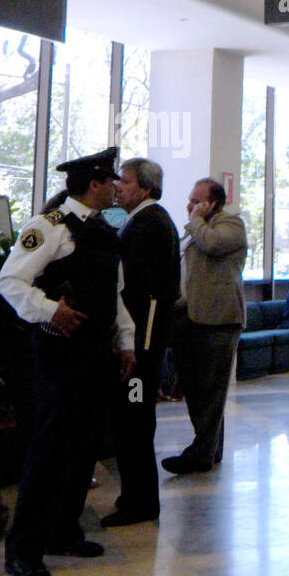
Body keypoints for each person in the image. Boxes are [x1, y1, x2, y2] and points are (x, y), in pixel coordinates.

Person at [0, 146, 136, 576]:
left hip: (97, 354)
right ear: (94, 185)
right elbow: (10, 280)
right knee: (50, 449)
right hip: (59, 355)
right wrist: (49, 308)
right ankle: (23, 549)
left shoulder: (105, 232)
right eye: (111, 181)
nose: (116, 187)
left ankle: (63, 531)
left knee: (84, 445)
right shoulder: (49, 227)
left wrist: (126, 340)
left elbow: (115, 295)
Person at [102, 157, 180, 528]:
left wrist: (130, 344)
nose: (119, 187)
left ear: (146, 188)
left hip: (142, 347)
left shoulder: (147, 224)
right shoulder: (151, 220)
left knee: (133, 422)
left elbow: (137, 292)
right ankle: (135, 495)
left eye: (127, 182)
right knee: (135, 421)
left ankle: (140, 502)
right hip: (147, 341)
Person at [163, 179, 247, 475]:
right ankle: (210, 448)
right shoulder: (197, 228)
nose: (191, 206)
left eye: (197, 201)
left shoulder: (231, 225)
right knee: (195, 389)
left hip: (219, 320)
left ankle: (200, 452)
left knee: (210, 390)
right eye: (190, 199)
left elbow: (213, 244)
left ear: (214, 203)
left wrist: (197, 221)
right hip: (189, 318)